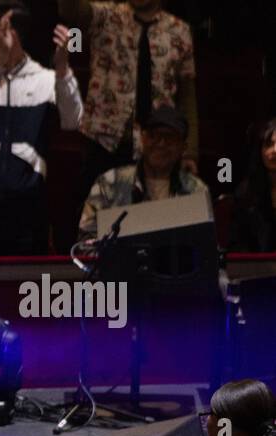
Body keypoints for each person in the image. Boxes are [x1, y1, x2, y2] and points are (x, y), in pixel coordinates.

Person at [0, 2, 83, 255]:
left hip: (27, 215)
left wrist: (62, 68)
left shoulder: (45, 80)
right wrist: (0, 59)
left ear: (12, 34)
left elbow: (72, 120)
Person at [58, 0, 198, 213]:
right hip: (106, 143)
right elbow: (72, 10)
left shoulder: (180, 31)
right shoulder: (106, 16)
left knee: (153, 221)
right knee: (97, 218)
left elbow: (187, 97)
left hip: (158, 144)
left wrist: (190, 153)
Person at [77, 106, 209, 241]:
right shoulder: (109, 183)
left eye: (169, 138)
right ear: (143, 139)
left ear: (183, 147)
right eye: (154, 136)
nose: (161, 143)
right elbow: (85, 242)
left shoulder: (196, 190)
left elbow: (204, 246)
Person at [230, 119, 276, 253]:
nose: (275, 150)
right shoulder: (245, 192)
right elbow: (238, 244)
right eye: (269, 144)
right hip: (257, 270)